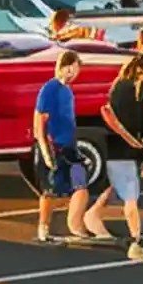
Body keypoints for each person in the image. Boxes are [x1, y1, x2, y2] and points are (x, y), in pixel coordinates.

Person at [85, 53, 143, 260]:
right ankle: (137, 238)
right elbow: (120, 119)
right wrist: (134, 140)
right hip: (120, 148)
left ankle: (93, 214)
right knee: (130, 195)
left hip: (130, 148)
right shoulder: (124, 89)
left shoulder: (141, 90)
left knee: (114, 187)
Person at [33, 50, 91, 242]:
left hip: (69, 146)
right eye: (73, 69)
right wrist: (45, 151)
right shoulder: (50, 89)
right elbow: (39, 122)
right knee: (50, 191)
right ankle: (43, 227)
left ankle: (75, 224)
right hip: (54, 146)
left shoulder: (67, 90)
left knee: (80, 184)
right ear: (65, 67)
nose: (75, 74)